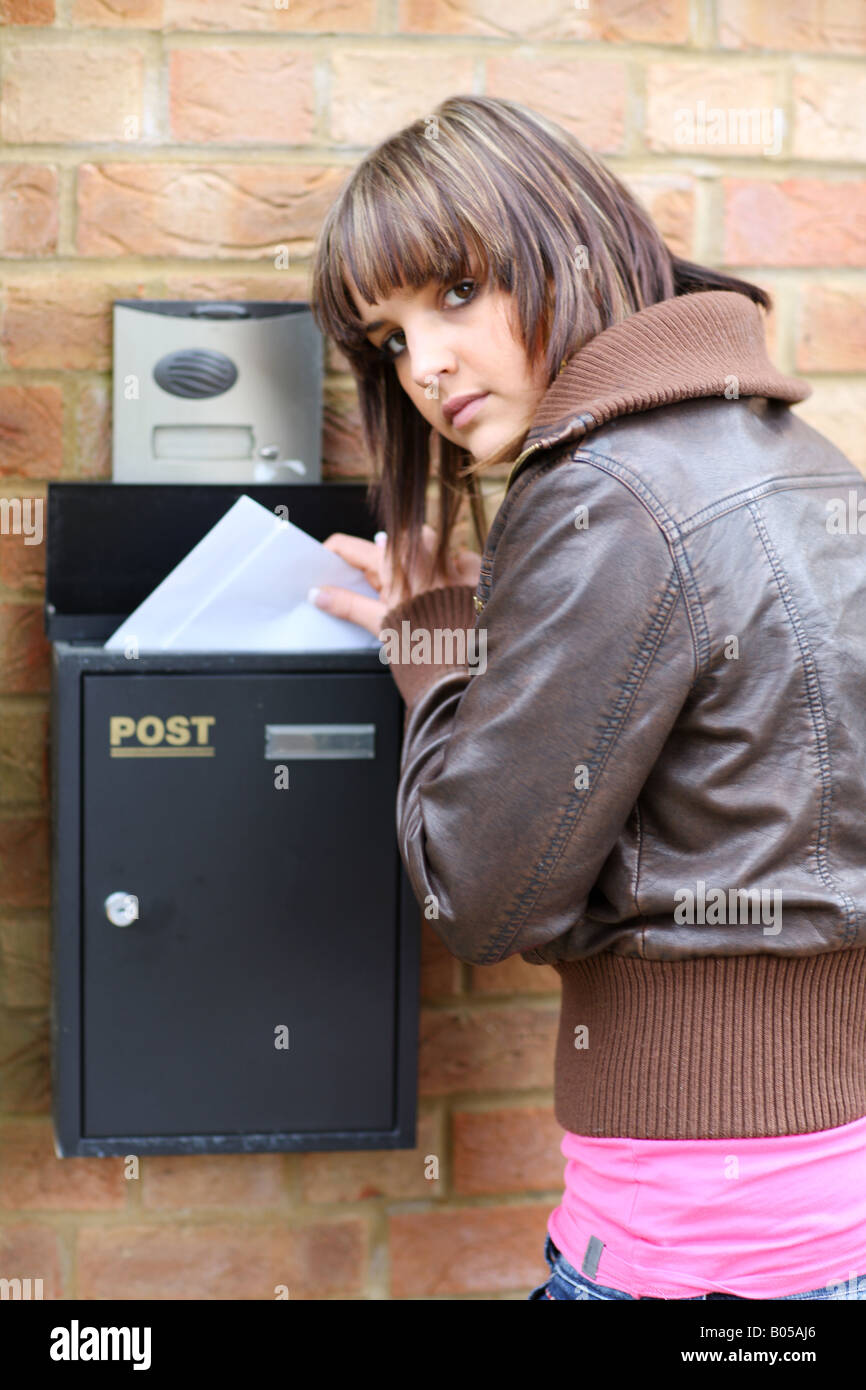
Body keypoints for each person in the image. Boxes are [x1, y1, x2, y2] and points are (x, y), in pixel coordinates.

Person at [307, 94, 866, 1301]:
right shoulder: (796, 460)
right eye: (388, 339)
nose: (426, 365)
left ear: (564, 243)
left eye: (452, 293)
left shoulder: (607, 491)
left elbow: (482, 889)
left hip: (698, 1244)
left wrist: (441, 640)